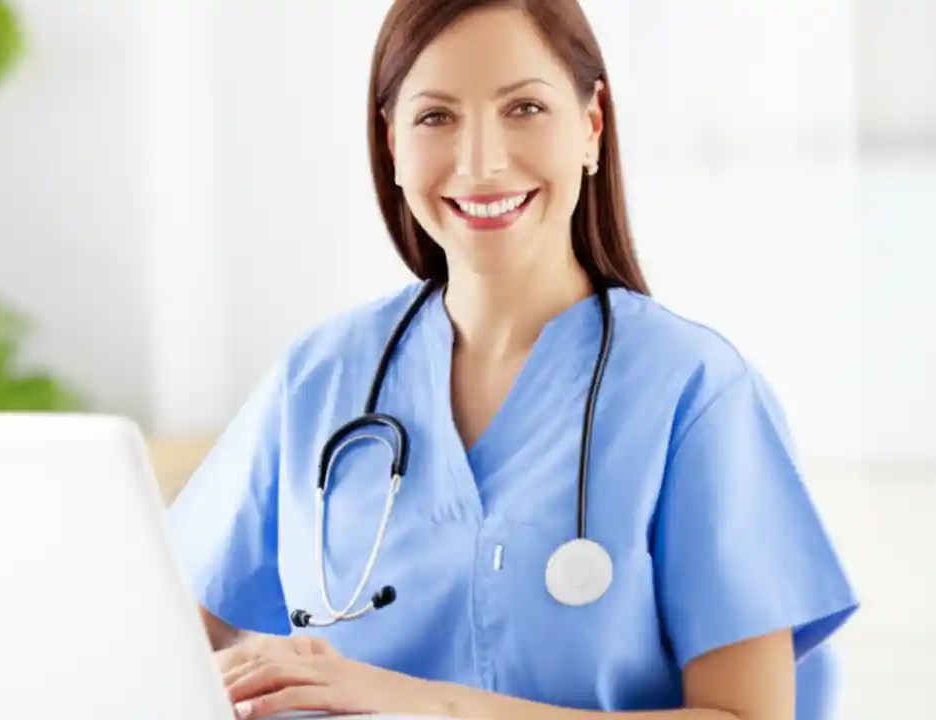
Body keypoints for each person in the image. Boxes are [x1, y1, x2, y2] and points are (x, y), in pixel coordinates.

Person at [165, 1, 859, 718]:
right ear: (392, 143)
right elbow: (158, 640)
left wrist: (413, 703)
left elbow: (748, 716)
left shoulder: (694, 391)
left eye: (523, 107)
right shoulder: (319, 377)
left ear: (592, 127)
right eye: (436, 117)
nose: (481, 162)